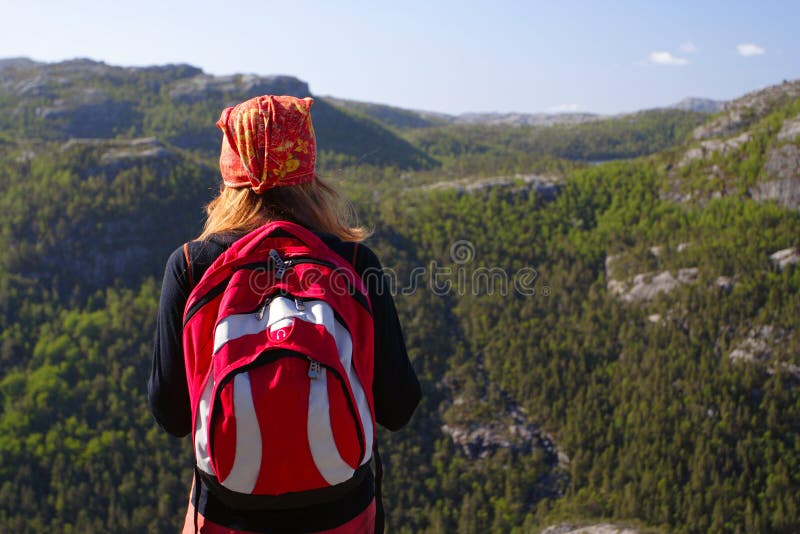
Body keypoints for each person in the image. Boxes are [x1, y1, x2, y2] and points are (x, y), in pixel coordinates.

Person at [148, 94, 421, 533]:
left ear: (228, 169)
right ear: (308, 164)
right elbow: (398, 406)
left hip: (226, 516)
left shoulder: (189, 266)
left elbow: (172, 414)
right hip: (343, 514)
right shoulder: (355, 262)